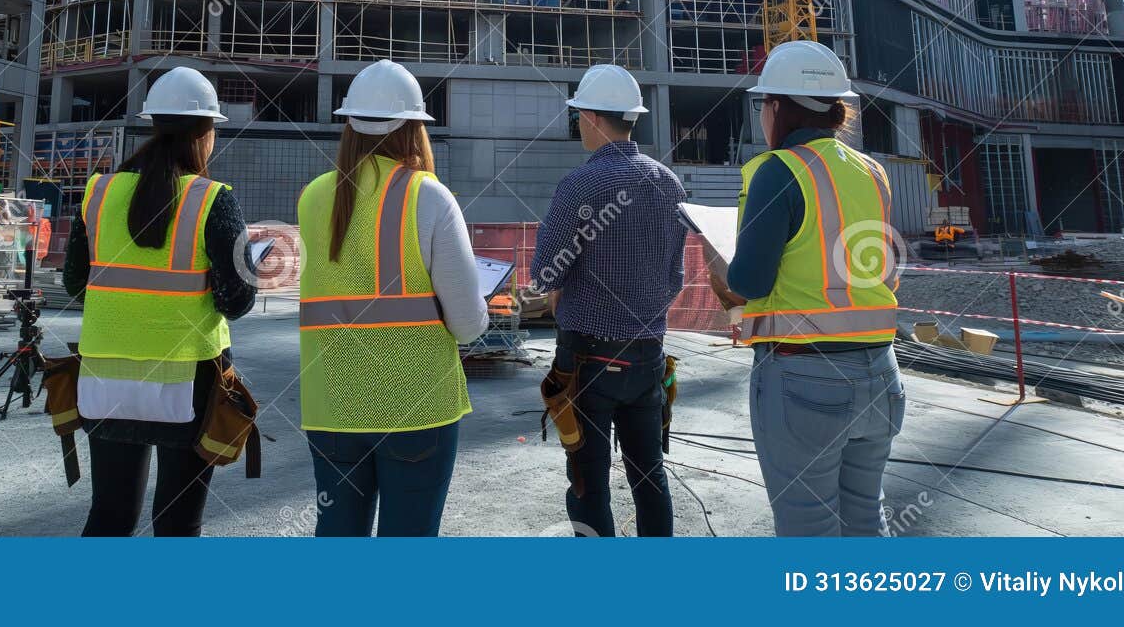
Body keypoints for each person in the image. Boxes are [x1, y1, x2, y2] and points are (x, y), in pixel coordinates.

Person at [707, 40, 904, 537]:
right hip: (881, 372)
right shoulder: (873, 172)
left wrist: (721, 272)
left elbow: (750, 281)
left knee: (808, 532)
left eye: (764, 106)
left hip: (804, 378)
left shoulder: (777, 171)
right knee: (865, 520)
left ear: (777, 108)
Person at [62, 66, 257, 537]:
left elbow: (74, 283)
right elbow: (237, 301)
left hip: (106, 382)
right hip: (187, 385)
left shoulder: (98, 191)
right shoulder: (212, 199)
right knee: (177, 523)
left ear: (152, 124)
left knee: (109, 516)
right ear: (205, 133)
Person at [297, 60, 488, 537]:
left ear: (350, 125)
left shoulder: (314, 197)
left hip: (333, 404)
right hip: (415, 406)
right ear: (413, 128)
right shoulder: (429, 196)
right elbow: (468, 324)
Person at [529, 64, 686, 537]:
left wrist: (563, 292)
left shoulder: (579, 185)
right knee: (649, 476)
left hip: (587, 361)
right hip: (647, 358)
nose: (577, 124)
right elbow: (673, 279)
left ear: (594, 117)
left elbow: (544, 274)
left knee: (587, 484)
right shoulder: (669, 183)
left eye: (579, 115)